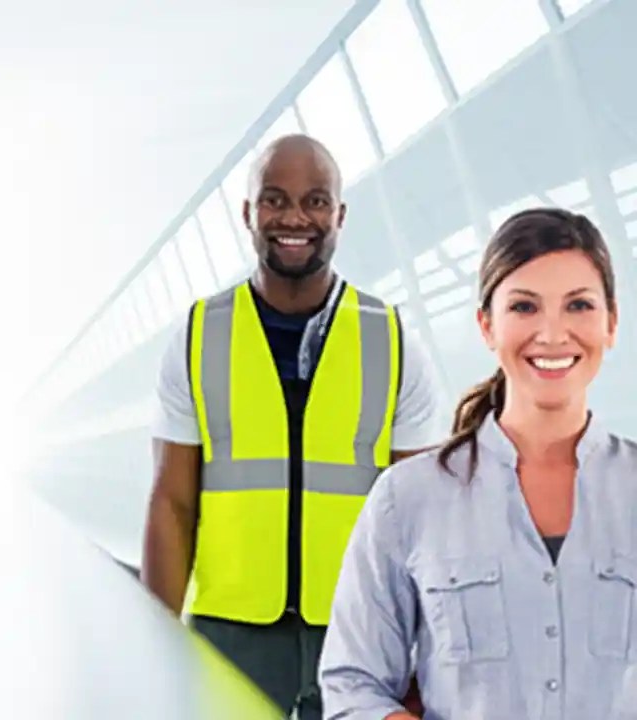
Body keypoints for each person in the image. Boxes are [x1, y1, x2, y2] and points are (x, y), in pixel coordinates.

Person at [141, 134, 447, 719]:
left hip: (360, 636)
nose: (294, 218)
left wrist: (423, 653)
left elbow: (422, 521)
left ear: (339, 215)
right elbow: (171, 503)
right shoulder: (199, 334)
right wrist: (156, 649)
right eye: (276, 200)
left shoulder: (394, 339)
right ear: (249, 213)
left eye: (315, 201)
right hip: (227, 638)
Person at [320, 208, 636, 719]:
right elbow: (353, 686)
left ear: (611, 323)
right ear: (487, 326)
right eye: (525, 307)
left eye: (578, 304)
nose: (553, 334)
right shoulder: (408, 499)